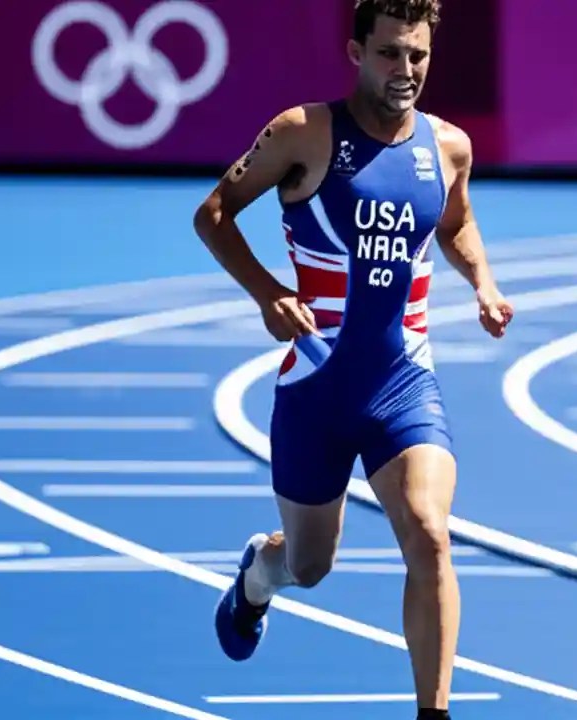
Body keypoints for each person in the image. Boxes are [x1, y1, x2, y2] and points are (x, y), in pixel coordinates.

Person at [193, 2, 512, 718]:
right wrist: (268, 292)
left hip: (404, 386)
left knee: (430, 533)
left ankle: (433, 710)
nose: (406, 71)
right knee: (309, 566)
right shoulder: (301, 133)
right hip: (316, 388)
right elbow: (213, 212)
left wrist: (483, 284)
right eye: (391, 54)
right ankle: (257, 577)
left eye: (419, 57)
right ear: (356, 52)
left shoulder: (449, 146)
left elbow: (457, 222)